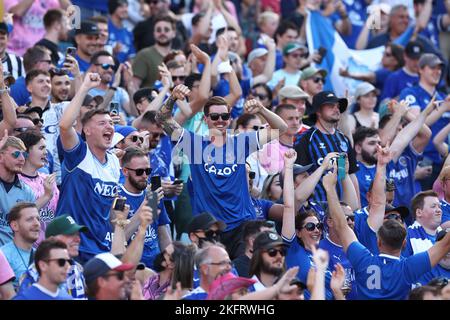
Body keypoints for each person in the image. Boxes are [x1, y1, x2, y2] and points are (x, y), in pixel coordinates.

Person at [157, 89, 288, 259]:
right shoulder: (193, 144)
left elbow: (282, 128)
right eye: (214, 117)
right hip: (211, 229)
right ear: (206, 119)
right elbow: (162, 119)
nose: (220, 120)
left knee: (245, 275)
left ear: (230, 119)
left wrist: (262, 109)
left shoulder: (241, 142)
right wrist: (172, 98)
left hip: (243, 226)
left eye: (224, 117)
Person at [322, 164, 450, 300]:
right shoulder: (408, 268)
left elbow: (341, 226)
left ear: (378, 241)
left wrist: (330, 188)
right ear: (404, 243)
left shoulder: (363, 260)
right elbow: (445, 244)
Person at [57, 73, 121, 263]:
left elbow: (109, 210)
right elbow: (64, 126)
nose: (109, 126)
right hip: (71, 244)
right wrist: (84, 87)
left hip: (100, 246)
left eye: (110, 123)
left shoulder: (114, 162)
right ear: (87, 130)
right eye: (102, 123)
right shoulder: (79, 154)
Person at [295, 91, 359, 205]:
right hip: (318, 207)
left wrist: (356, 207)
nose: (336, 109)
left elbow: (350, 175)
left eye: (338, 106)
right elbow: (299, 178)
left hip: (343, 208)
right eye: (330, 106)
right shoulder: (305, 139)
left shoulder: (344, 139)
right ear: (318, 111)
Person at [399, 53, 449, 190]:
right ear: (420, 69)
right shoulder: (410, 93)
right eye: (432, 67)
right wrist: (444, 108)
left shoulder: (443, 96)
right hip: (422, 162)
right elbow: (417, 125)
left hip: (444, 161)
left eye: (439, 68)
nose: (437, 72)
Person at [119, 147, 171, 268]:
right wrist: (146, 205)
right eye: (139, 172)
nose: (144, 176)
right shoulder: (118, 197)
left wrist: (173, 262)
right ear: (125, 171)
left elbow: (162, 233)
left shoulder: (153, 194)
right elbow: (119, 238)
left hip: (156, 265)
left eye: (147, 171)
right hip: (132, 268)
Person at [18, 214, 89, 300]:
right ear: (52, 240)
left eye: (78, 235)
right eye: (70, 234)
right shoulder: (34, 273)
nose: (78, 239)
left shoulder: (78, 269)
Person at [17, 130, 59, 245]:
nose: (46, 152)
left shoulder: (48, 180)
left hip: (49, 247)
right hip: (26, 249)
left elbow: (58, 214)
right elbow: (19, 215)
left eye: (45, 148)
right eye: (41, 148)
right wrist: (46, 196)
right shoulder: (14, 181)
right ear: (25, 152)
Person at [0, 136, 35, 245]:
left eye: (24, 155)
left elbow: (29, 230)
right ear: (0, 157)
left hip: (13, 256)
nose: (22, 159)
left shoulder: (27, 192)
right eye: (16, 154)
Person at [0, 203, 40, 290]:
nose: (37, 223)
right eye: (30, 219)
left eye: (38, 219)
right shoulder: (3, 256)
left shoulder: (42, 256)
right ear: (15, 226)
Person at [132, 15, 177, 89]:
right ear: (154, 33)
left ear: (174, 33)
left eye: (166, 30)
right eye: (158, 30)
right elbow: (134, 85)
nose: (162, 33)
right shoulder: (144, 55)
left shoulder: (178, 56)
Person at [404, 191, 442, 257]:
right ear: (419, 212)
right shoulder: (407, 237)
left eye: (439, 207)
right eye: (433, 206)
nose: (439, 210)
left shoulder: (446, 235)